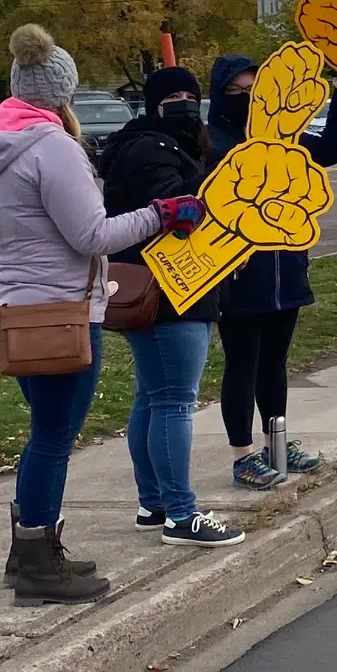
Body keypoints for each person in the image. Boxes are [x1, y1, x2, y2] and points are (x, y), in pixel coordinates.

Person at [0, 24, 204, 605]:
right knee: (52, 439)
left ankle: (28, 548)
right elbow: (94, 235)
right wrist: (162, 212)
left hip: (14, 310)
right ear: (63, 93)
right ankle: (38, 566)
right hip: (62, 312)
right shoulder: (53, 149)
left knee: (43, 433)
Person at [99, 67, 244, 549]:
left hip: (162, 288)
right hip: (171, 288)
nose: (183, 104)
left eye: (190, 95)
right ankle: (180, 513)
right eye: (172, 96)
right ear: (151, 104)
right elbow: (183, 210)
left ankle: (154, 501)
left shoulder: (159, 145)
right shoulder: (151, 150)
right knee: (174, 402)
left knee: (153, 397)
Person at [207, 54, 337, 490]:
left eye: (253, 91)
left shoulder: (285, 138)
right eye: (234, 92)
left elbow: (329, 149)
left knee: (274, 363)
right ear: (220, 96)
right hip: (237, 276)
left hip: (286, 270)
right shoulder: (214, 142)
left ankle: (278, 441)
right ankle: (242, 453)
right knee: (242, 363)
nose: (245, 99)